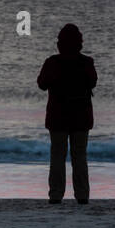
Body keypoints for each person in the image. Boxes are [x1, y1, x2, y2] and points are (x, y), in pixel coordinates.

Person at [36, 23, 96, 204]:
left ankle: (55, 195)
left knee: (57, 157)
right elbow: (92, 82)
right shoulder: (86, 63)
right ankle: (82, 195)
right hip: (81, 117)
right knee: (80, 157)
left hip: (58, 117)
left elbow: (41, 84)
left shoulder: (52, 63)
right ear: (80, 43)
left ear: (60, 43)